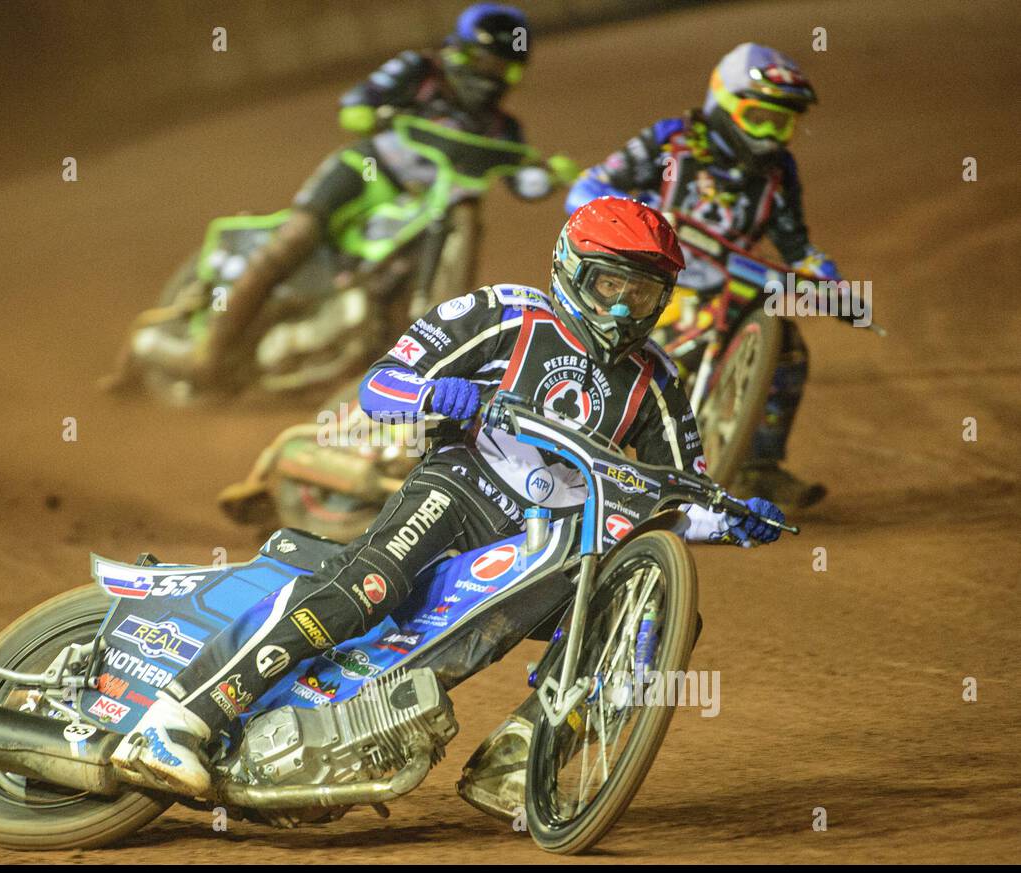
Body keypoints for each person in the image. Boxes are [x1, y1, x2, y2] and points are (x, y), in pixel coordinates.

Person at [110, 197, 786, 797]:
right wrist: (434, 394)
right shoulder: (501, 313)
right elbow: (382, 384)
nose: (620, 307)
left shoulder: (659, 380)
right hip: (462, 488)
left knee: (656, 618)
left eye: (642, 295)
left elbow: (679, 489)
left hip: (554, 540)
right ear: (572, 268)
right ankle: (180, 719)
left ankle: (519, 757)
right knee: (370, 585)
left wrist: (733, 517)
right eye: (610, 283)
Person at [102, 3, 576, 391]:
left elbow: (521, 181)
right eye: (487, 62)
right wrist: (367, 113)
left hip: (431, 209)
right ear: (463, 53)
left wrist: (549, 176)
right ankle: (208, 348)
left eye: (506, 67)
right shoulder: (419, 70)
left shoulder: (505, 129)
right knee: (298, 234)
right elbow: (359, 100)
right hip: (368, 175)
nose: (495, 74)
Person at [566, 42, 849, 508]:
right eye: (761, 118)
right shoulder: (670, 139)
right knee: (599, 342)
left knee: (788, 349)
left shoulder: (779, 172)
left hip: (726, 286)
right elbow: (588, 186)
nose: (773, 136)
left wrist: (833, 283)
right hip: (643, 277)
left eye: (784, 123)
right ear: (725, 101)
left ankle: (758, 468)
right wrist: (636, 218)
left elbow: (796, 245)